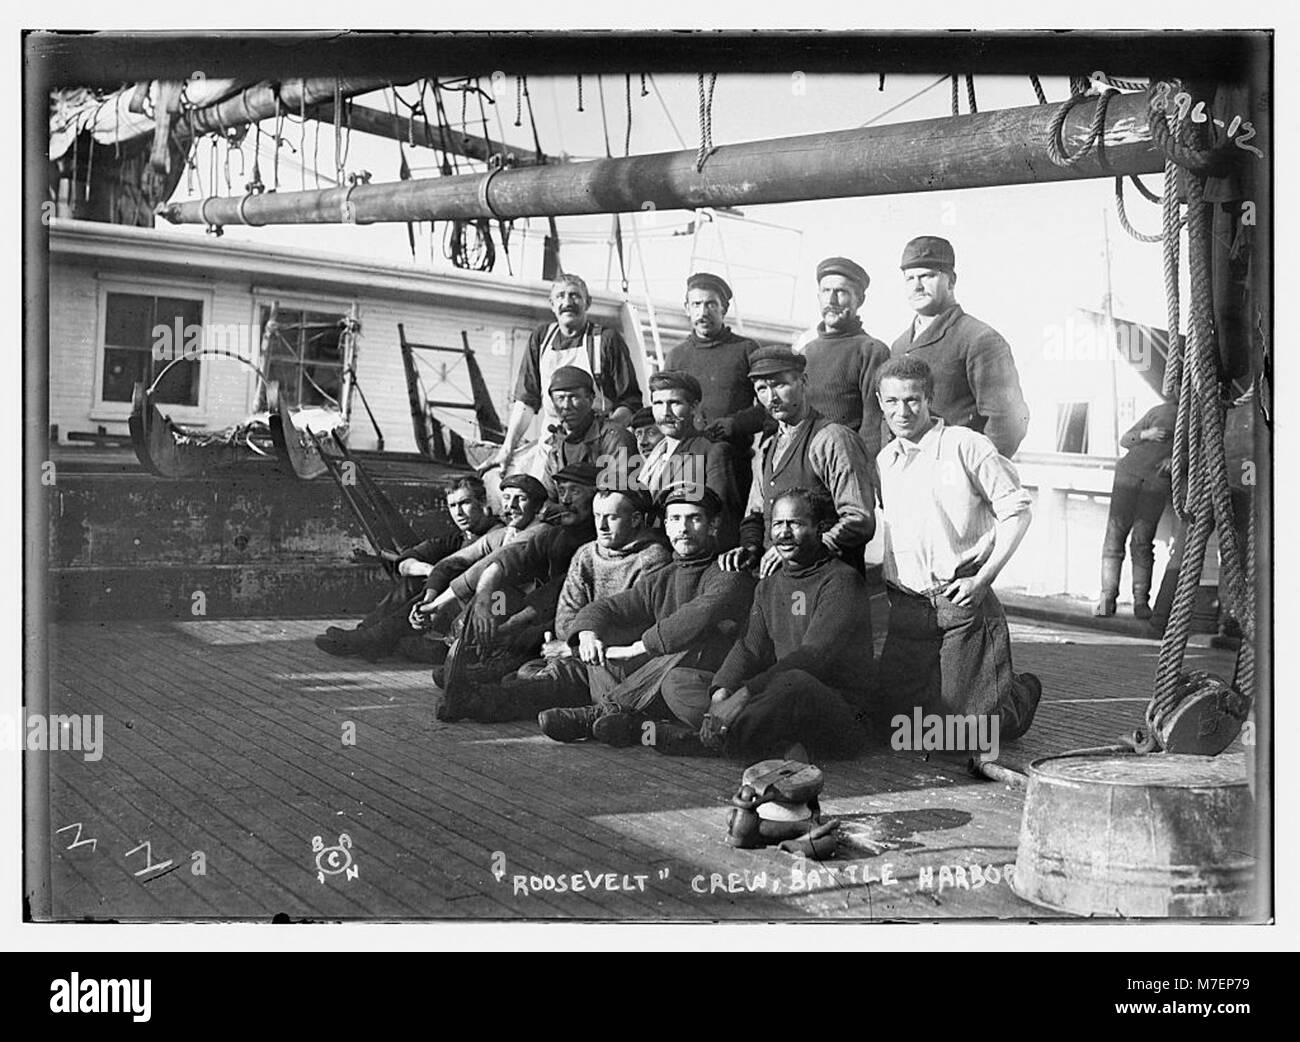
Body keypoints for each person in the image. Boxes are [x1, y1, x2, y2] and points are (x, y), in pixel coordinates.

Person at [874, 356, 1041, 746]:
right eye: (892, 401)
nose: (902, 411)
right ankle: (969, 689)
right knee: (892, 731)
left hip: (960, 599)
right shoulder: (885, 460)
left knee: (968, 738)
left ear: (930, 398)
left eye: (913, 399)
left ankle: (1019, 694)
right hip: (909, 610)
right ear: (881, 404)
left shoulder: (966, 445)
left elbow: (1017, 512)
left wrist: (983, 580)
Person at [651, 488, 876, 761]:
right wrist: (721, 694)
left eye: (796, 523)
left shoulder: (841, 581)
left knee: (793, 682)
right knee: (679, 682)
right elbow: (748, 648)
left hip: (835, 710)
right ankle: (759, 742)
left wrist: (743, 695)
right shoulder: (768, 584)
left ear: (820, 528)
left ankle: (715, 741)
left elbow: (812, 658)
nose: (784, 533)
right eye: (778, 524)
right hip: (774, 698)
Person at [537, 485, 756, 745]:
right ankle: (630, 720)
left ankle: (606, 711)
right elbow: (606, 608)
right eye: (675, 519)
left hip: (701, 682)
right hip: (652, 684)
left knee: (689, 642)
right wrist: (587, 635)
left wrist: (636, 648)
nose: (683, 528)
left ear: (713, 525)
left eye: (694, 518)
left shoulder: (729, 572)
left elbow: (694, 617)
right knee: (598, 645)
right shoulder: (663, 577)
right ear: (666, 525)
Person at [451, 484, 673, 723]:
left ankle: (472, 700)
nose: (602, 526)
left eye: (612, 517)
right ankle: (482, 693)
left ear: (636, 519)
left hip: (617, 660)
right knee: (529, 674)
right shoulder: (587, 553)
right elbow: (566, 615)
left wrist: (578, 646)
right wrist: (576, 643)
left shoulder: (652, 558)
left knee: (556, 678)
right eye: (598, 516)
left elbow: (639, 625)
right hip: (579, 652)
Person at [431, 462, 602, 721]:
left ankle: (476, 687)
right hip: (549, 617)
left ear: (597, 495)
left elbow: (559, 590)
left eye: (575, 492)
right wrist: (483, 602)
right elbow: (504, 561)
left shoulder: (597, 543)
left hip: (576, 624)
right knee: (496, 596)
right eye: (562, 491)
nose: (565, 500)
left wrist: (510, 625)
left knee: (528, 638)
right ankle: (477, 674)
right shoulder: (555, 534)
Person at [720, 346, 875, 579]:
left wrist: (798, 549)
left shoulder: (832, 439)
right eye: (762, 389)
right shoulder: (767, 447)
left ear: (803, 381)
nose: (771, 397)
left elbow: (859, 519)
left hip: (828, 579)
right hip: (781, 583)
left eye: (780, 385)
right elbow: (755, 512)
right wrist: (750, 547)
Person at [314, 476, 501, 662]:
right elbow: (405, 562)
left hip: (479, 611)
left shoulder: (497, 536)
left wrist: (439, 577)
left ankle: (369, 640)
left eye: (465, 503)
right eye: (452, 506)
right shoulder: (458, 539)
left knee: (440, 584)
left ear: (483, 502)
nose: (458, 512)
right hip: (443, 611)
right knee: (415, 579)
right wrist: (430, 570)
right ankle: (365, 634)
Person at [480, 273, 643, 480]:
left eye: (575, 295)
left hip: (597, 445)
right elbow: (526, 400)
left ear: (588, 302)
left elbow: (630, 401)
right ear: (551, 303)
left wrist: (603, 438)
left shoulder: (605, 339)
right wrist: (507, 449)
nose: (567, 302)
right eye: (560, 296)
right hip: (552, 443)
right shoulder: (541, 339)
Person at [890, 236, 1030, 459]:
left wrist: (976, 473)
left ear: (951, 281)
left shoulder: (980, 339)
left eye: (927, 276)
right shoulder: (899, 346)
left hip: (956, 476)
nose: (917, 286)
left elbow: (1009, 421)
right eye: (910, 278)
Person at [664, 272, 768, 498]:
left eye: (711, 304)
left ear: (724, 309)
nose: (703, 312)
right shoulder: (676, 356)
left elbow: (768, 408)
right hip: (686, 464)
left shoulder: (746, 350)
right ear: (687, 308)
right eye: (697, 304)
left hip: (732, 464)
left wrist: (736, 423)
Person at [409, 473, 549, 638]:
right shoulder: (506, 533)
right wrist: (429, 598)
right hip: (503, 606)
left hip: (532, 613)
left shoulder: (541, 532)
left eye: (521, 499)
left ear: (537, 506)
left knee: (494, 594)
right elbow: (450, 563)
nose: (511, 505)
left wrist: (435, 606)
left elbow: (487, 567)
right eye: (506, 497)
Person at [792, 256, 892, 461]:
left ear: (859, 299)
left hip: (844, 463)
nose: (831, 300)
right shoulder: (804, 353)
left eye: (841, 292)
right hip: (803, 460)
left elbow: (873, 423)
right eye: (826, 291)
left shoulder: (871, 351)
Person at [635, 370, 740, 548]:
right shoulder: (654, 456)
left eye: (674, 403)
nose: (665, 412)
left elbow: (718, 519)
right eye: (658, 403)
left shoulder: (712, 451)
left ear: (694, 407)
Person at [1095, 395, 1177, 618]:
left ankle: (1141, 603)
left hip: (1156, 483)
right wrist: (1146, 434)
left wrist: (1178, 461)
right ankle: (1106, 600)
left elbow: (1200, 453)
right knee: (1114, 538)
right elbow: (1125, 440)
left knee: (1142, 542)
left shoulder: (1197, 419)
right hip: (1128, 476)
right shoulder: (1157, 410)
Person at [540, 365, 637, 494]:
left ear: (590, 399)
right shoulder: (556, 446)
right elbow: (548, 497)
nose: (566, 406)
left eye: (574, 397)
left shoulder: (614, 437)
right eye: (560, 398)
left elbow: (620, 494)